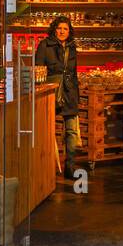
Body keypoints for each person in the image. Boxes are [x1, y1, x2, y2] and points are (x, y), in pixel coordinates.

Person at [35, 16, 80, 182]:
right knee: (47, 129)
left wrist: (76, 92)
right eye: (59, 28)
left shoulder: (72, 47)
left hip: (70, 92)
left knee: (71, 131)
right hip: (51, 91)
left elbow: (74, 72)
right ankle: (47, 166)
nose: (62, 31)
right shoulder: (44, 45)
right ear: (54, 29)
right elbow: (38, 69)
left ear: (69, 31)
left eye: (65, 29)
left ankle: (70, 166)